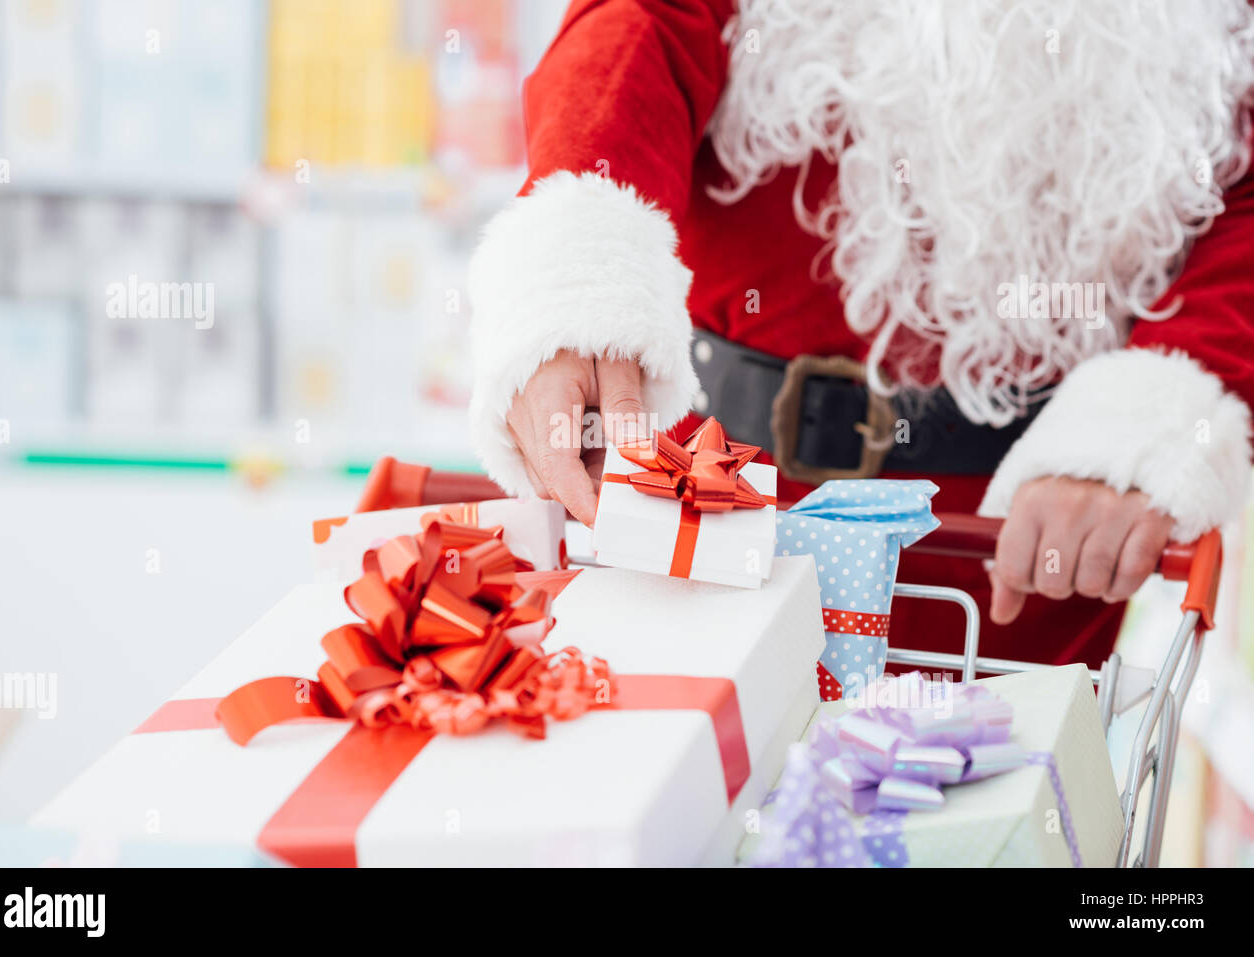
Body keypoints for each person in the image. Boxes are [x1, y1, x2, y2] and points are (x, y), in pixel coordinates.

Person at [466, 0, 1254, 680]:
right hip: (715, 497)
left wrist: (1138, 429)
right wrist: (577, 276)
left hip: (1026, 548)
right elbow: (644, 25)